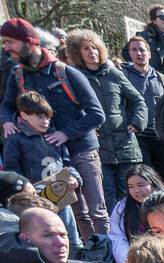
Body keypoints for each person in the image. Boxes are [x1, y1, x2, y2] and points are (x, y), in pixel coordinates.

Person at [0, 18, 108, 237]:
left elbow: (97, 114)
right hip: (49, 157)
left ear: (29, 42)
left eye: (10, 41)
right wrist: (8, 121)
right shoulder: (17, 74)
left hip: (82, 150)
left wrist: (65, 133)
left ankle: (106, 256)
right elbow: (6, 105)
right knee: (76, 213)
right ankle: (84, 258)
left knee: (96, 211)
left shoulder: (67, 73)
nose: (6, 47)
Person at [64, 30, 145, 215]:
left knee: (131, 191)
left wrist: (137, 121)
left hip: (125, 143)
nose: (92, 51)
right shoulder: (74, 77)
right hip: (98, 146)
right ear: (77, 52)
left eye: (94, 47)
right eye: (86, 48)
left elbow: (138, 100)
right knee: (107, 195)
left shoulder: (114, 74)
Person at [3, 91, 81, 244]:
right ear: (24, 115)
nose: (45, 121)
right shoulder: (15, 140)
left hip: (61, 195)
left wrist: (74, 177)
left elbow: (67, 163)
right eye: (40, 116)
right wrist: (27, 188)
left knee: (71, 237)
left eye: (48, 117)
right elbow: (12, 171)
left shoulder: (54, 136)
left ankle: (75, 254)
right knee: (45, 238)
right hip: (35, 201)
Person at [122, 34, 164, 178]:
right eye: (134, 50)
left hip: (161, 137)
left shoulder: (161, 78)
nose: (139, 53)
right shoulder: (123, 76)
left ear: (149, 54)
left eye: (142, 50)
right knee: (145, 178)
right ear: (129, 53)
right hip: (138, 137)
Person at [136, 4, 164, 81]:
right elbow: (128, 53)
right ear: (154, 21)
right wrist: (142, 71)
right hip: (153, 81)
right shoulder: (144, 37)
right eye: (162, 18)